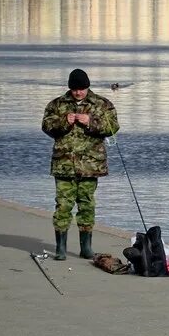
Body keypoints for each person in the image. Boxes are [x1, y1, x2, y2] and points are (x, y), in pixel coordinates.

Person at [41, 69, 120, 261]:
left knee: (86, 205)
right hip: (64, 165)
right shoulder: (57, 104)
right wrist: (63, 122)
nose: (78, 93)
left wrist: (90, 121)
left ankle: (86, 248)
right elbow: (46, 126)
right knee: (63, 205)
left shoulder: (102, 104)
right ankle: (61, 248)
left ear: (87, 87)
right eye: (75, 89)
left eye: (82, 89)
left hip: (90, 165)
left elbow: (113, 127)